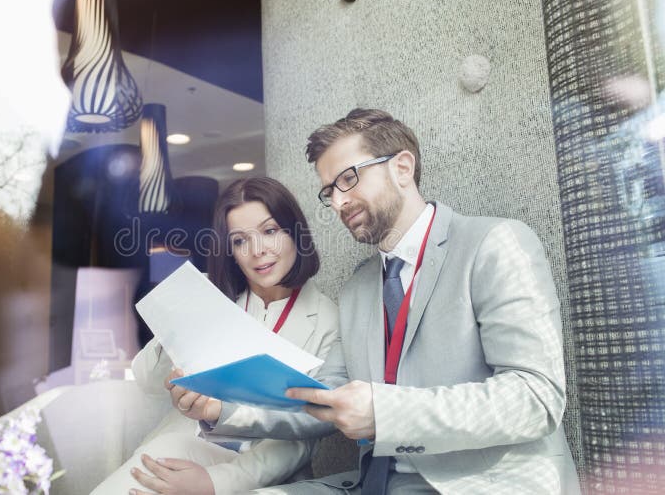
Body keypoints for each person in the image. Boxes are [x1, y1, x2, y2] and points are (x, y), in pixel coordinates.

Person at [163, 109, 580, 494]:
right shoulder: (359, 288)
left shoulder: (495, 245)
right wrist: (223, 409)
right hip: (372, 485)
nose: (339, 202)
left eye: (348, 179)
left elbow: (537, 398)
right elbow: (319, 398)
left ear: (402, 167)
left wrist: (385, 413)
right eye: (329, 191)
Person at [91, 177, 340, 495]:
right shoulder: (210, 294)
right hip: (188, 442)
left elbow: (303, 435)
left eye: (269, 231)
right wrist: (175, 333)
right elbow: (146, 381)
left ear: (295, 232)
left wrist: (215, 483)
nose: (257, 251)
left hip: (256, 472)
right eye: (239, 241)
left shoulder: (327, 320)